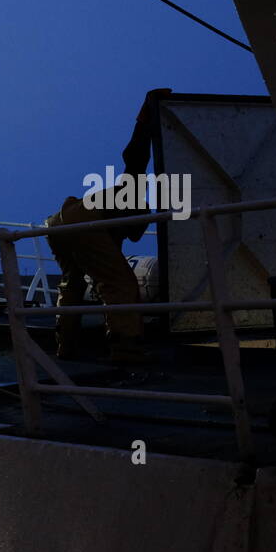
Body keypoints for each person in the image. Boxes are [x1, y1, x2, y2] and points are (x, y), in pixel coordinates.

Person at [46, 89, 169, 364]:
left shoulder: (114, 229)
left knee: (72, 283)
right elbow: (136, 155)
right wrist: (147, 113)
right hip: (82, 221)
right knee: (121, 284)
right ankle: (127, 352)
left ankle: (65, 347)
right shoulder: (133, 192)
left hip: (59, 223)